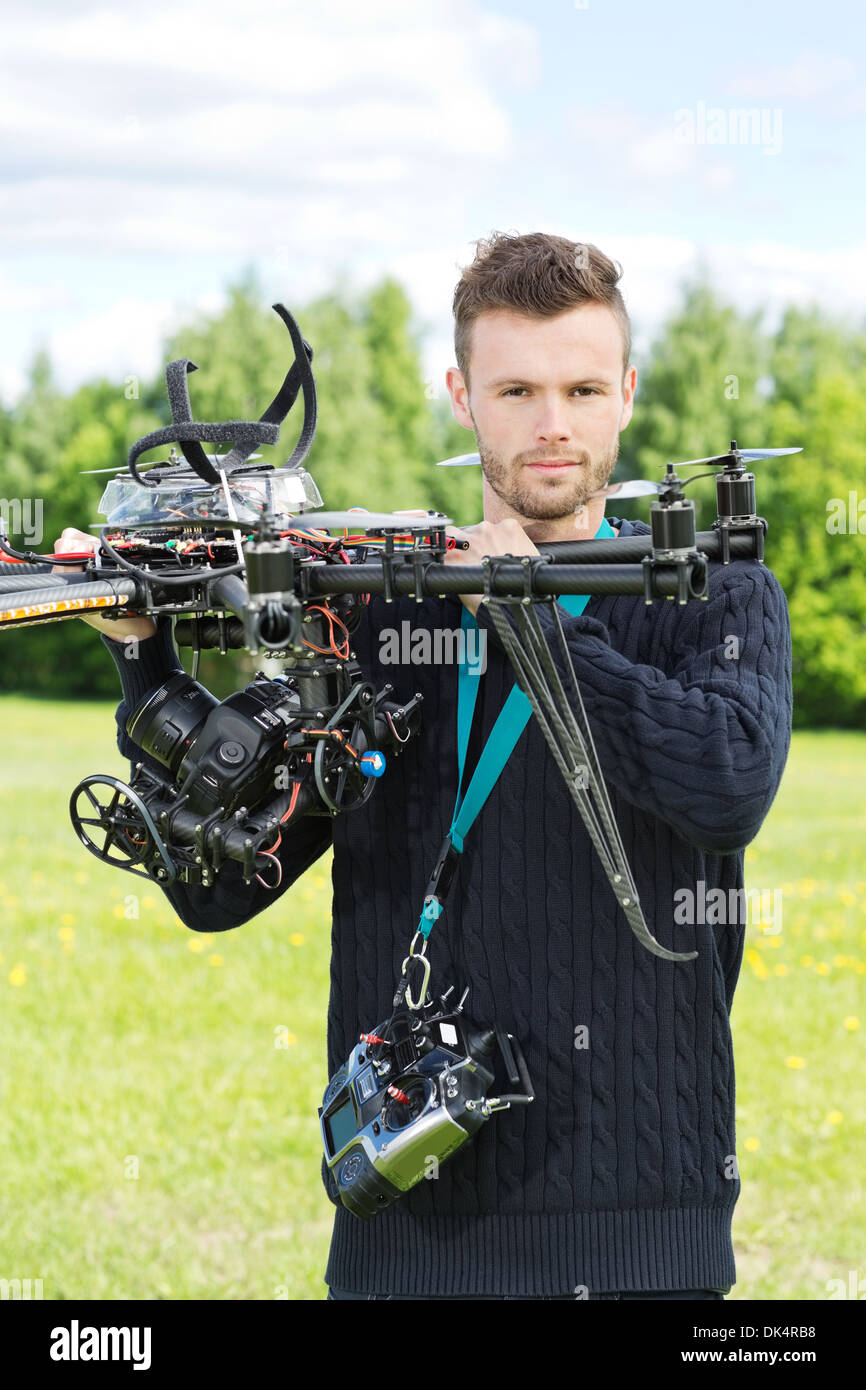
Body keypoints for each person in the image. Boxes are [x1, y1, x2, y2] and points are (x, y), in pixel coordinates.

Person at [56, 231, 793, 1300]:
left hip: (642, 1240)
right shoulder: (380, 606)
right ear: (462, 396)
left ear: (626, 393)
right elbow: (217, 886)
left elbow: (725, 786)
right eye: (516, 389)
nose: (552, 424)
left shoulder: (710, 597)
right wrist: (142, 658)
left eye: (583, 387)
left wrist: (533, 616)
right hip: (406, 1231)